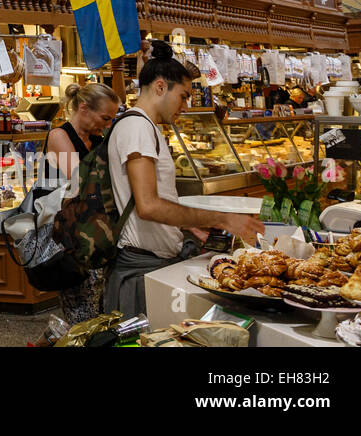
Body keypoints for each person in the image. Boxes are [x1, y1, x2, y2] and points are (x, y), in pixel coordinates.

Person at [104, 41, 264, 314]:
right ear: (160, 87)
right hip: (140, 269)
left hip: (152, 263)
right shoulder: (136, 127)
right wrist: (221, 218)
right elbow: (149, 206)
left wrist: (188, 226)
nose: (186, 106)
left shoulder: (145, 127)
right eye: (183, 95)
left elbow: (156, 199)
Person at [44, 82, 119, 324]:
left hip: (97, 234)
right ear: (84, 108)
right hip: (70, 238)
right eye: (105, 118)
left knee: (99, 312)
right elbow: (82, 180)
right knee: (81, 311)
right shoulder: (59, 136)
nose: (107, 125)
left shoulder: (98, 139)